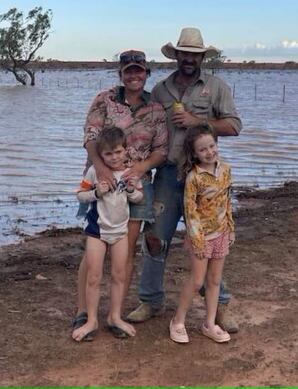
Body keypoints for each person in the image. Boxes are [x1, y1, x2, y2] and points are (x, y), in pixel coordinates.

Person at [126, 27, 243, 333]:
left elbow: (234, 126)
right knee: (154, 239)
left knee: (207, 242)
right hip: (166, 174)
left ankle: (221, 306)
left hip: (204, 178)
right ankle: (151, 300)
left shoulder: (216, 87)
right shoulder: (161, 90)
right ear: (176, 55)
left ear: (202, 57)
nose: (189, 58)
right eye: (184, 53)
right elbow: (146, 126)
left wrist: (198, 121)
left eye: (195, 53)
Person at [71, 50, 169, 339]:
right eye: (128, 70)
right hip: (101, 185)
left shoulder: (156, 110)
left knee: (124, 253)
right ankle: (83, 313)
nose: (134, 75)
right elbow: (90, 137)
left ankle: (115, 315)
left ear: (147, 73)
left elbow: (161, 151)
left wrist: (138, 169)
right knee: (93, 251)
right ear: (121, 74)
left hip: (136, 186)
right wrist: (101, 170)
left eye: (139, 70)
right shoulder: (105, 99)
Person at [72, 126, 144, 342]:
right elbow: (80, 195)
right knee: (94, 277)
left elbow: (138, 197)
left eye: (118, 152)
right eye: (108, 154)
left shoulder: (130, 172)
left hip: (120, 231)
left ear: (126, 150)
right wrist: (96, 192)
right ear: (101, 154)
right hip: (97, 232)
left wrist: (131, 190)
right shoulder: (95, 172)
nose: (114, 157)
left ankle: (115, 316)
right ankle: (91, 320)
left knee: (119, 275)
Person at [168, 122, 234, 344]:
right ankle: (178, 321)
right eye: (203, 149)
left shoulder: (225, 170)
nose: (209, 152)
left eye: (212, 146)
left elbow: (227, 201)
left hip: (221, 232)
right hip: (201, 237)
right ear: (195, 154)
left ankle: (210, 323)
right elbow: (190, 211)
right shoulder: (193, 178)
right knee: (197, 281)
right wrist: (197, 241)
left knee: (214, 280)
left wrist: (230, 228)